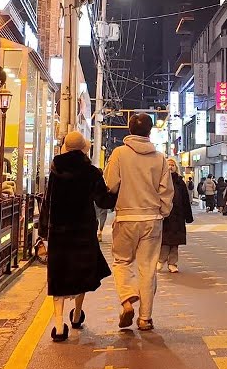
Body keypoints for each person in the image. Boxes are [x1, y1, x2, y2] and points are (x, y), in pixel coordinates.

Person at [38, 131, 112, 342]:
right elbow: (104, 201)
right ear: (83, 149)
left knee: (58, 276)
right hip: (83, 232)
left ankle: (59, 325)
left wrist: (43, 231)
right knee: (82, 274)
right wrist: (116, 191)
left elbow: (47, 202)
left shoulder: (55, 170)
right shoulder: (92, 172)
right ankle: (77, 314)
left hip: (59, 232)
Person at [105, 113, 174, 331]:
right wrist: (161, 212)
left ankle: (127, 300)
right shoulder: (160, 157)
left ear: (129, 129)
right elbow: (166, 191)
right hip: (152, 218)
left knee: (122, 261)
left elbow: (111, 184)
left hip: (126, 216)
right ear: (150, 131)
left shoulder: (119, 154)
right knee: (148, 268)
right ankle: (145, 318)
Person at [160, 158, 193, 273]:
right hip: (165, 216)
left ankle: (172, 263)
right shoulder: (161, 180)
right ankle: (161, 260)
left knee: (175, 243)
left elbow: (185, 200)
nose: (171, 167)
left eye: (173, 165)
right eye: (168, 165)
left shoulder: (180, 182)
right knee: (164, 241)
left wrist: (188, 217)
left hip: (178, 216)